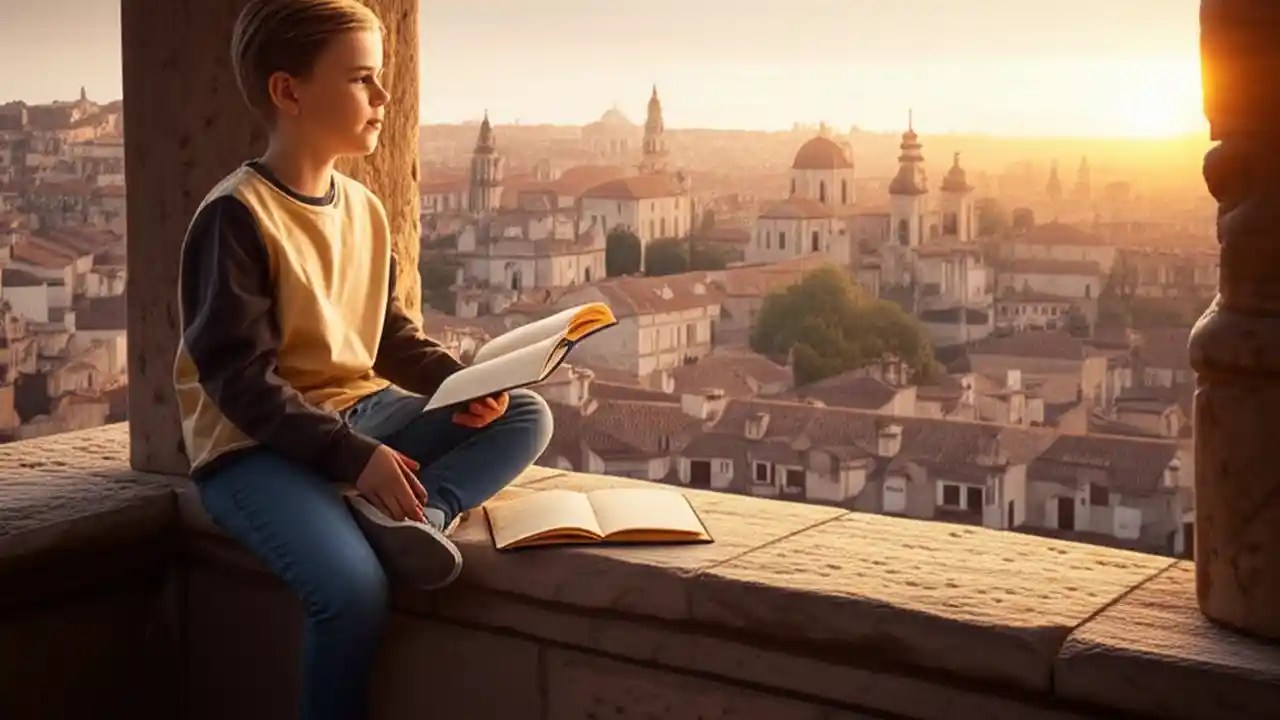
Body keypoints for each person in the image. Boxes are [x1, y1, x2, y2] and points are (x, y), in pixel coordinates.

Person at [172, 2, 554, 718]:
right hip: (254, 450)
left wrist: (465, 384)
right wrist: (356, 457)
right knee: (352, 595)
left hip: (363, 417)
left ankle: (425, 516)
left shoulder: (364, 208)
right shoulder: (237, 215)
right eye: (361, 79)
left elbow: (388, 336)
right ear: (289, 91)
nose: (383, 96)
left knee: (525, 413)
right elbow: (240, 383)